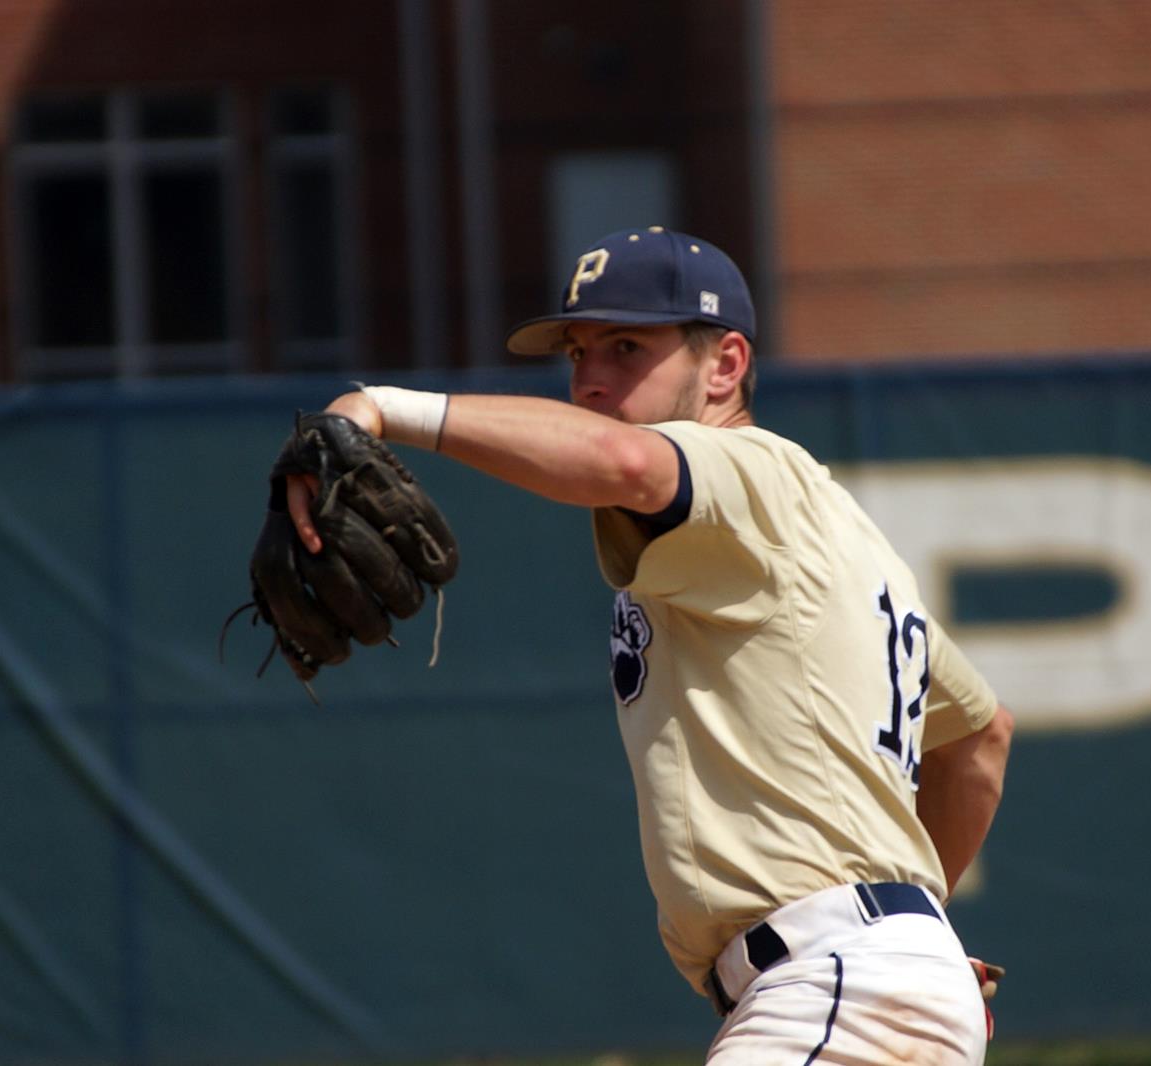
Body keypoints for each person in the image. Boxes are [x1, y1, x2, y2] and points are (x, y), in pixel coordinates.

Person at [287, 226, 1015, 1065]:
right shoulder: (836, 534)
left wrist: (379, 407)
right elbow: (981, 734)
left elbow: (628, 465)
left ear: (726, 365)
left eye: (627, 346)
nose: (590, 378)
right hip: (862, 980)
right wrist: (914, 930)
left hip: (837, 982)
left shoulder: (751, 470)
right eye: (578, 352)